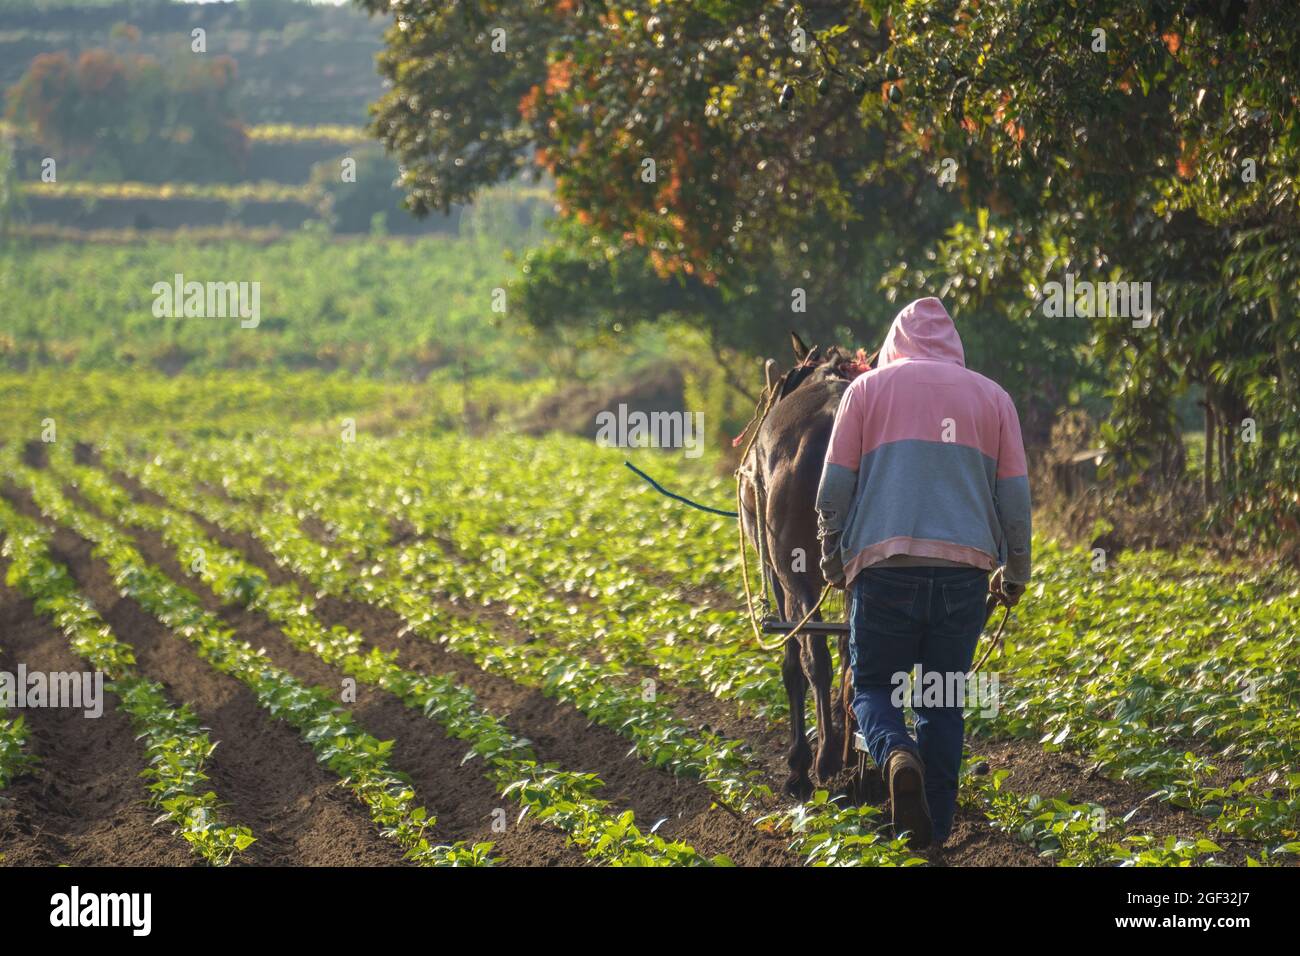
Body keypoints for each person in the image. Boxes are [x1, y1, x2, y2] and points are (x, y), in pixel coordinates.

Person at [815, 296, 1031, 849]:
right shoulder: (994, 398)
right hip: (963, 575)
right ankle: (932, 834)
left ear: (893, 344)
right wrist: (1016, 572)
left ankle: (895, 753)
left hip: (885, 570)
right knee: (942, 701)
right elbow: (1015, 500)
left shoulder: (866, 391)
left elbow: (833, 489)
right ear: (954, 346)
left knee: (871, 688)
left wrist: (832, 556)